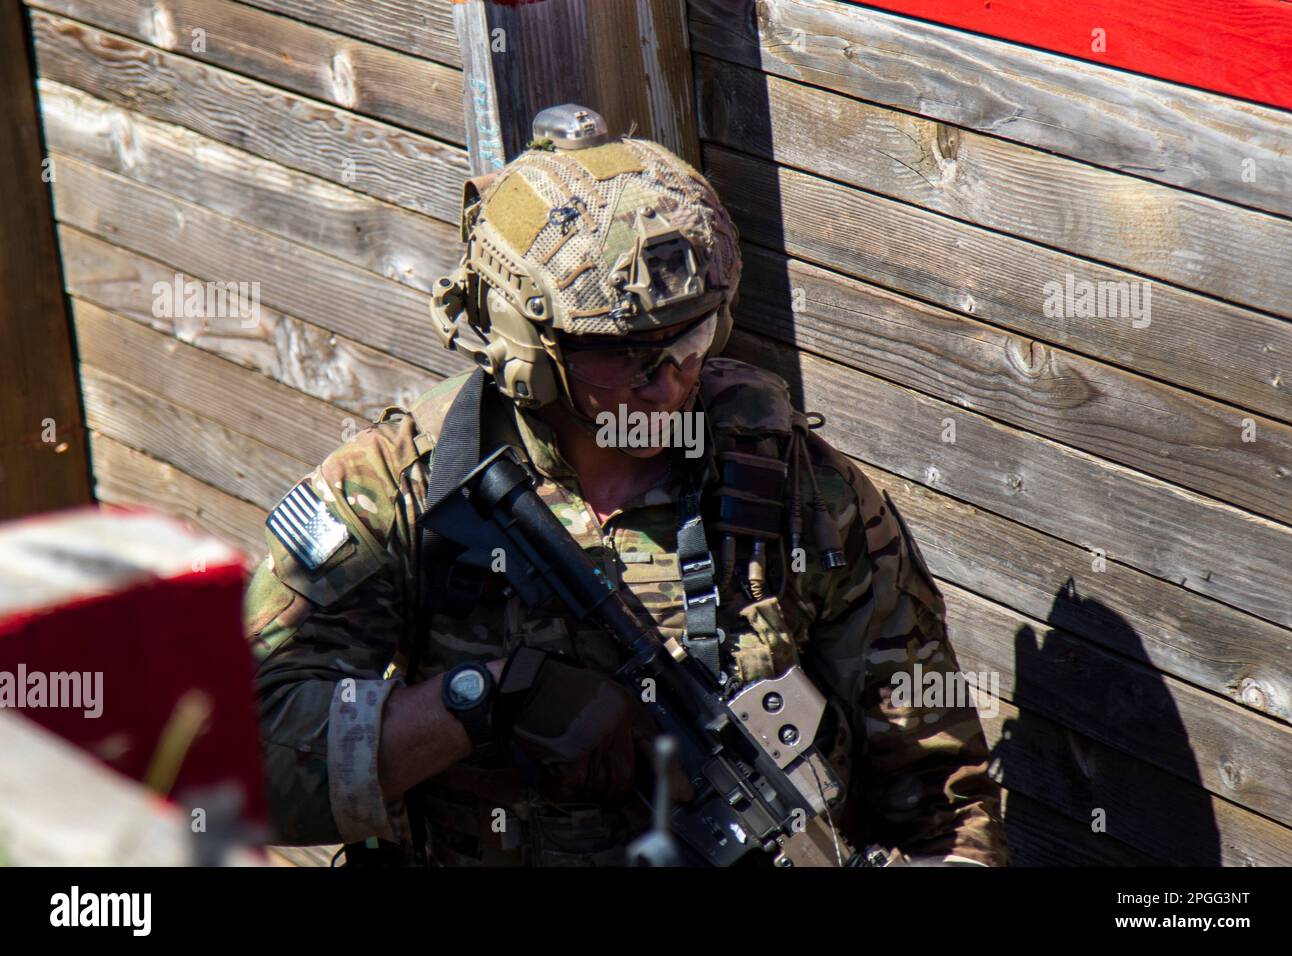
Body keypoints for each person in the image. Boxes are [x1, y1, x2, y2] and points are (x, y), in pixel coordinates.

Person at [245, 104, 1008, 867]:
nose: (671, 382)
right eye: (628, 355)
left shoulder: (801, 492)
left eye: (693, 338)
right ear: (526, 347)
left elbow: (943, 800)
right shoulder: (400, 488)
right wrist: (486, 698)